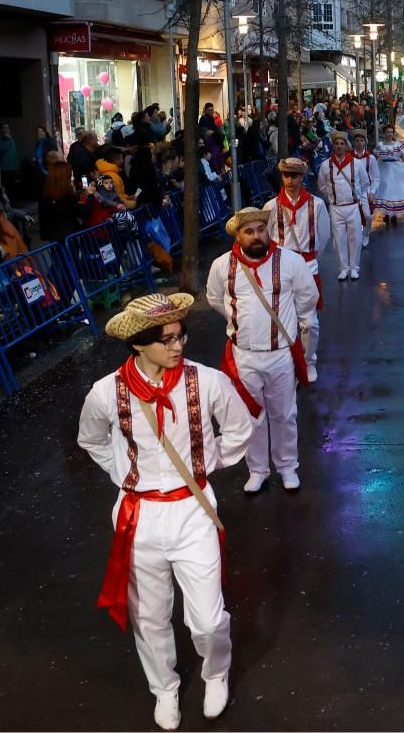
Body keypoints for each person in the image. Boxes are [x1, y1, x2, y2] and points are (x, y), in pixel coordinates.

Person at [77, 293, 253, 731]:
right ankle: (164, 688)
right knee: (150, 616)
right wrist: (125, 475)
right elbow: (91, 439)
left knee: (209, 619)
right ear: (138, 344)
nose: (179, 346)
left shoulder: (208, 381)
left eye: (181, 336)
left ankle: (216, 672)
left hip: (193, 511)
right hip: (139, 515)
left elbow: (238, 428)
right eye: (167, 339)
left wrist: (207, 469)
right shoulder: (105, 393)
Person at [205, 209, 318, 494]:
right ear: (238, 235)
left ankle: (288, 466)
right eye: (249, 232)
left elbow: (308, 298)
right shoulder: (221, 266)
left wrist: (293, 326)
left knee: (285, 414)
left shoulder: (290, 261)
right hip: (243, 356)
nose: (257, 236)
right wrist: (240, 325)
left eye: (261, 229)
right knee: (250, 416)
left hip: (280, 354)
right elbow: (215, 299)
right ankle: (257, 470)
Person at [263, 157, 330, 382]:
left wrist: (309, 260)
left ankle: (309, 360)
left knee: (309, 322)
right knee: (282, 319)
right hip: (280, 269)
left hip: (308, 266)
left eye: (295, 175)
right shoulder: (271, 206)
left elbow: (324, 236)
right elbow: (267, 239)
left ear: (303, 177)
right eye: (286, 175)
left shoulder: (317, 205)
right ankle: (287, 361)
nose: (290, 180)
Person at [318, 132, 366, 281]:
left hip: (352, 206)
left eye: (342, 144)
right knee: (338, 240)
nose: (339, 146)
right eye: (337, 144)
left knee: (356, 238)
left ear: (346, 146)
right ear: (333, 146)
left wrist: (356, 194)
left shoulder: (356, 164)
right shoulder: (326, 165)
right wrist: (332, 197)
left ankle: (354, 267)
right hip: (336, 207)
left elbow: (365, 183)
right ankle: (343, 268)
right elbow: (321, 185)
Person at [370, 124, 404, 217]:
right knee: (385, 189)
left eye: (391, 132)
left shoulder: (397, 145)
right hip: (383, 168)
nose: (389, 134)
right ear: (384, 134)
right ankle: (386, 214)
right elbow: (376, 159)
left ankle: (393, 213)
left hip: (395, 168)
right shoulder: (380, 145)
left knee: (394, 190)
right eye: (387, 132)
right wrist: (372, 169)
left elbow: (403, 157)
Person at [38, 161, 95, 244]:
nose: (72, 177)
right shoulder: (66, 196)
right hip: (68, 237)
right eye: (70, 174)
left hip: (53, 239)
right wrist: (90, 195)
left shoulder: (45, 195)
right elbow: (84, 212)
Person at [349, 130, 380, 249]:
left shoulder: (370, 158)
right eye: (357, 140)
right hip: (351, 190)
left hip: (364, 191)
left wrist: (372, 192)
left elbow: (376, 177)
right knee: (353, 216)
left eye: (361, 140)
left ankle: (365, 233)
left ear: (365, 142)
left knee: (367, 216)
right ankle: (355, 237)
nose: (359, 143)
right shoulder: (349, 156)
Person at [0, 123, 21, 200]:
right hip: (5, 168)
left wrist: (17, 163)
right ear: (1, 130)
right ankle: (8, 202)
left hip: (13, 166)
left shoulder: (11, 139)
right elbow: (1, 149)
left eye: (7, 128)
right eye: (4, 128)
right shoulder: (0, 139)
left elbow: (14, 152)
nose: (6, 130)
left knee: (13, 186)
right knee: (6, 186)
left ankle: (14, 201)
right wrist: (7, 139)